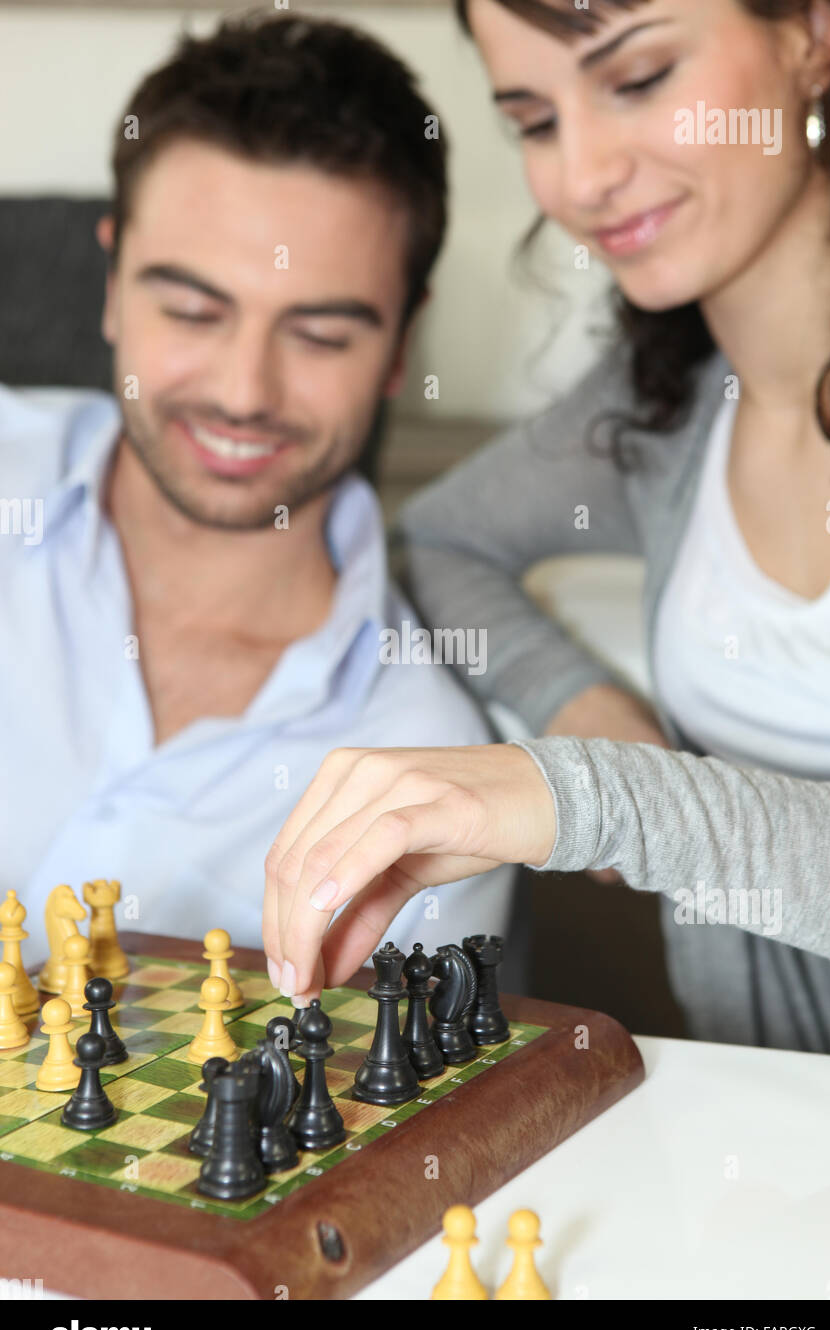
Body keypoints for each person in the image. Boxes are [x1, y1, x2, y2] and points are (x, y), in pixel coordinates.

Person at [263, 0, 830, 1057]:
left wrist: (584, 793)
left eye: (637, 80)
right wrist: (586, 708)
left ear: (814, 33)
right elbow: (435, 542)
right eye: (534, 119)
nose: (581, 177)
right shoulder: (662, 406)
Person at [0, 13, 514, 980]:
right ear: (111, 282)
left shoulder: (429, 771)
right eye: (193, 310)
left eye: (320, 334)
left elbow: (381, 1123)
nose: (244, 391)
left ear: (403, 344)